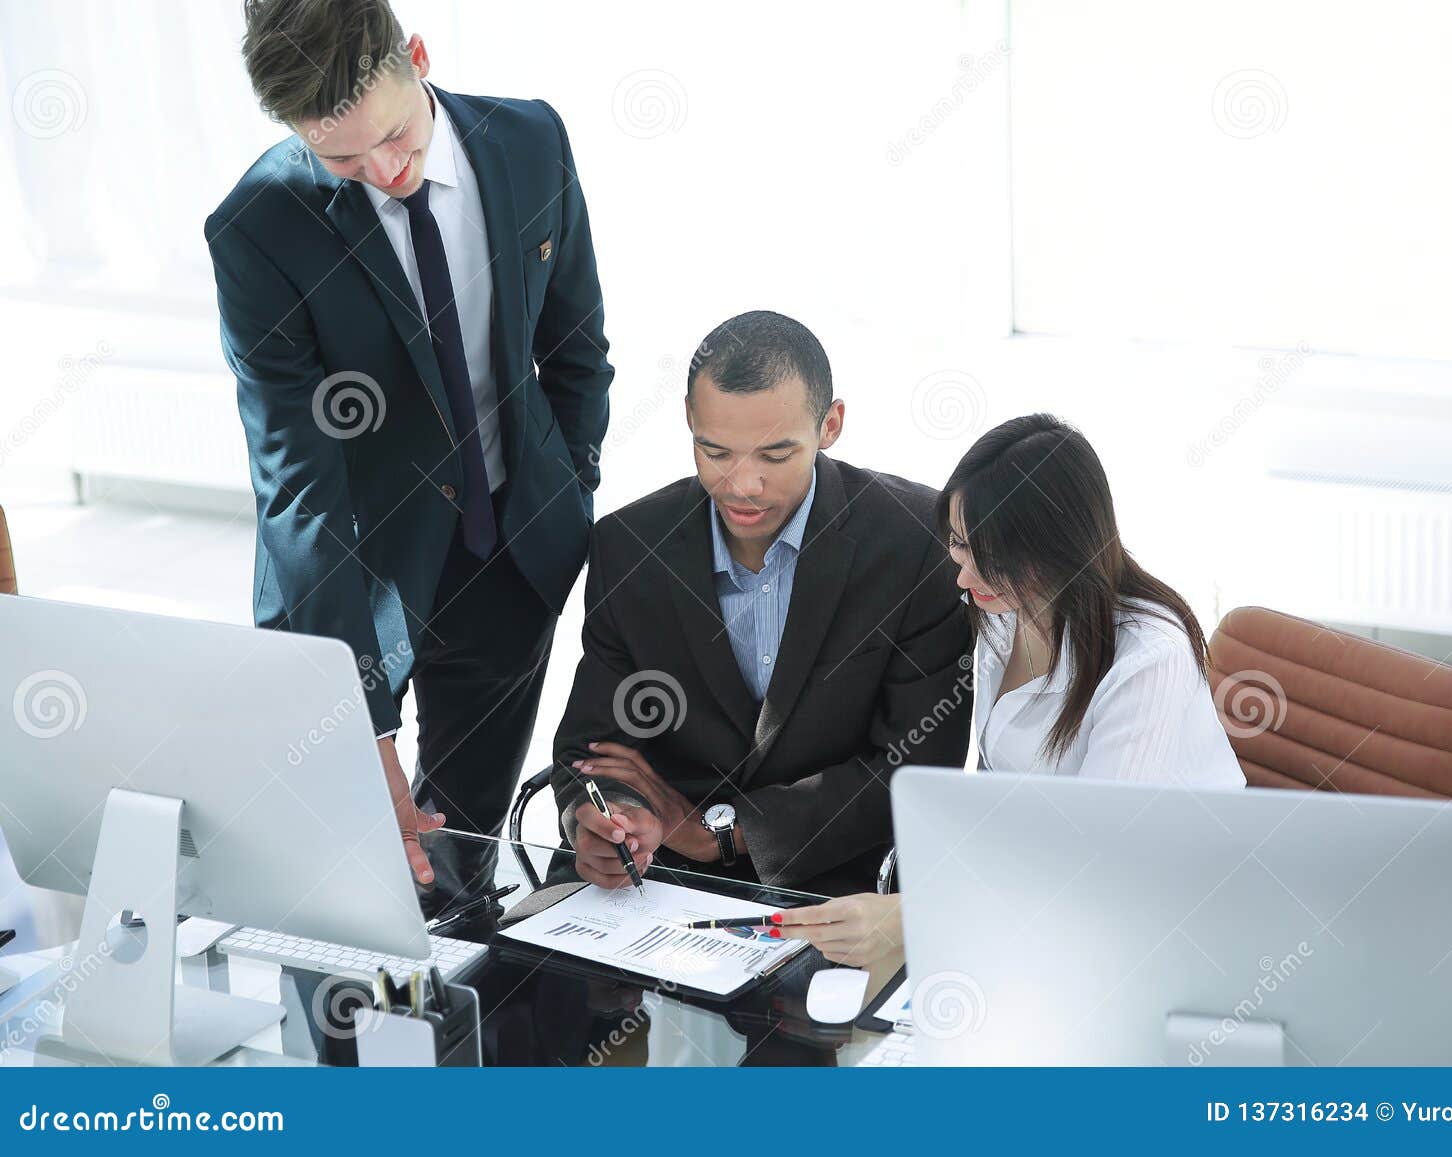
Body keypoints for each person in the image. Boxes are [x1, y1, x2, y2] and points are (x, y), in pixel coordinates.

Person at [206, 0, 612, 903]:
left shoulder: (531, 141)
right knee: (349, 881)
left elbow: (577, 348)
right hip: (349, 574)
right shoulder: (257, 229)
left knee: (452, 866)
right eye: (342, 159)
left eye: (393, 138)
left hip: (509, 556)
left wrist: (567, 488)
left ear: (419, 56)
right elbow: (298, 488)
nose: (383, 173)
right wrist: (363, 722)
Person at [777, 413, 1245, 965]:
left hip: (1161, 924)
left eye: (991, 559)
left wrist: (918, 916)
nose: (964, 578)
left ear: (1061, 548)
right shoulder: (1003, 613)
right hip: (1038, 907)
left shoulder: (1149, 657)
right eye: (958, 545)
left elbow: (1100, 867)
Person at [551, 311, 973, 896]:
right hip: (656, 884)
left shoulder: (915, 543)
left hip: (838, 887)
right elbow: (592, 748)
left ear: (831, 425)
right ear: (689, 421)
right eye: (716, 452)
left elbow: (919, 772)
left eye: (775, 455)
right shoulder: (628, 547)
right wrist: (603, 822)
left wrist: (722, 833)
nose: (742, 486)